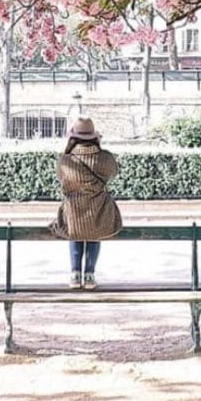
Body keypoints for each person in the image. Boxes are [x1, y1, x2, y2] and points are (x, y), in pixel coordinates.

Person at [48, 116, 122, 289]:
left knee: (75, 228)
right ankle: (89, 274)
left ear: (73, 137)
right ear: (94, 136)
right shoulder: (105, 158)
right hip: (99, 208)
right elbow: (114, 173)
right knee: (95, 228)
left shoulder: (65, 160)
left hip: (73, 211)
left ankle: (75, 274)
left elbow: (61, 179)